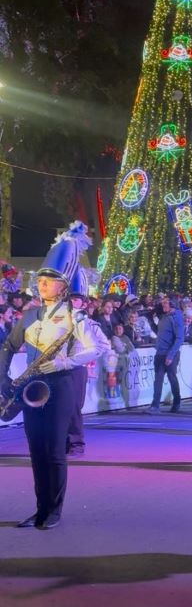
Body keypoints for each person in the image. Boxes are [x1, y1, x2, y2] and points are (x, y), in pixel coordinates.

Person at [0, 222, 107, 529]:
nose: (43, 284)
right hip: (31, 388)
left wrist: (66, 361)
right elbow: (8, 345)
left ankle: (54, 511)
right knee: (36, 451)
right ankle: (39, 508)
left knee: (55, 451)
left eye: (51, 280)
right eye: (42, 279)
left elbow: (98, 346)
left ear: (64, 286)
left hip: (59, 388)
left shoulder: (75, 317)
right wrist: (4, 379)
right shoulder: (30, 315)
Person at [66, 267, 111, 456]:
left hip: (76, 369)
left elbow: (104, 345)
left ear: (83, 303)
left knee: (74, 407)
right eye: (70, 299)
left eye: (76, 299)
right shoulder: (58, 321)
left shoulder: (90, 324)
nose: (72, 302)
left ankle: (77, 444)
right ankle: (60, 443)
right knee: (58, 408)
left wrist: (85, 356)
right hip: (56, 369)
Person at [147, 296, 184, 414]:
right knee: (158, 379)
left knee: (172, 378)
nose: (163, 305)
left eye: (165, 303)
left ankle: (177, 402)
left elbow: (179, 338)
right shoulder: (164, 317)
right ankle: (155, 405)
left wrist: (171, 355)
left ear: (172, 304)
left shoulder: (176, 318)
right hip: (160, 352)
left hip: (169, 353)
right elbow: (159, 331)